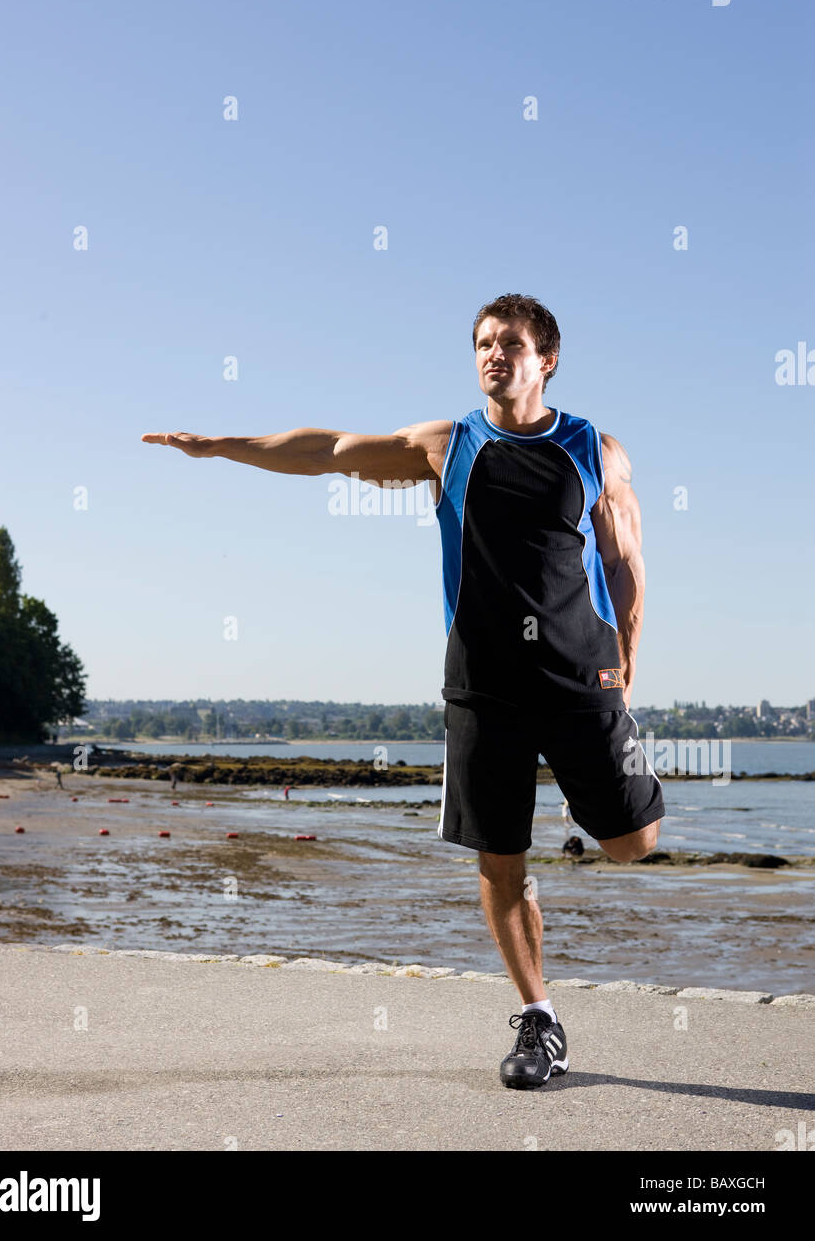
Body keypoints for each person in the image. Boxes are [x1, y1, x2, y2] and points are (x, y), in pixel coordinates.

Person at [142, 292, 664, 1090]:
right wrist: (222, 446)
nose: (494, 354)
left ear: (546, 359)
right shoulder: (446, 445)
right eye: (484, 342)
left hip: (581, 676)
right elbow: (331, 450)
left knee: (634, 845)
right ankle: (540, 1020)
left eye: (511, 344)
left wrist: (627, 667)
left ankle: (595, 786)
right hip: (483, 686)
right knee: (501, 860)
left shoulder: (596, 449)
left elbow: (626, 566)